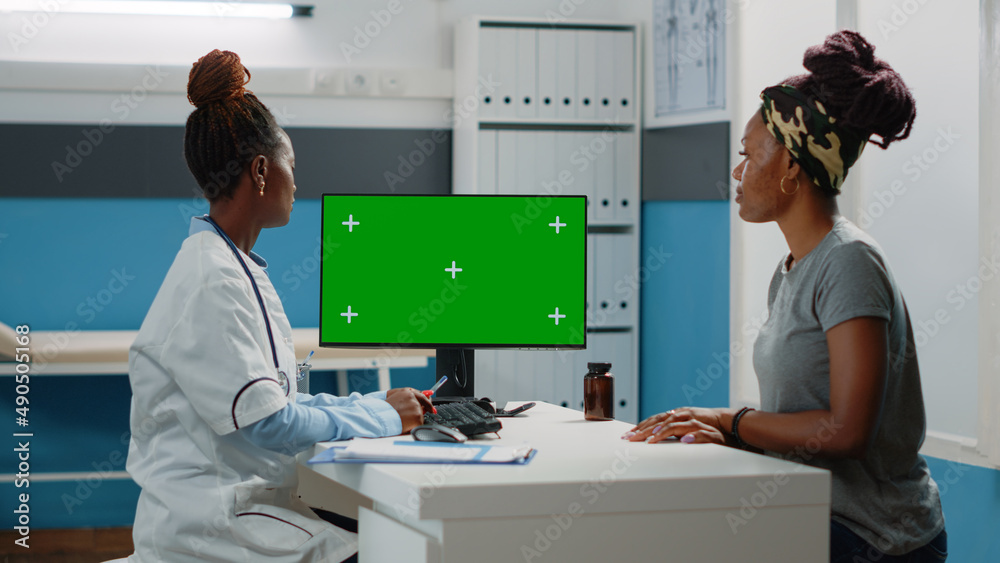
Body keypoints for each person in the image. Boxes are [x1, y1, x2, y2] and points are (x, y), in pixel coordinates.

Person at [625, 31, 946, 562]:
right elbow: (800, 423)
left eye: (749, 155)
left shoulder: (848, 262)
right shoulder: (794, 268)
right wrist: (722, 432)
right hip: (812, 511)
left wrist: (729, 421)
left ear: (793, 166)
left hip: (876, 536)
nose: (736, 171)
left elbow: (847, 432)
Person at [125, 49, 433, 563]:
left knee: (392, 535)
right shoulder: (213, 280)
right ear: (262, 170)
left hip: (246, 504)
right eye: (293, 165)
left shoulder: (231, 265)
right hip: (214, 525)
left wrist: (375, 403)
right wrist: (381, 415)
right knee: (401, 548)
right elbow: (271, 425)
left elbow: (276, 403)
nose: (298, 182)